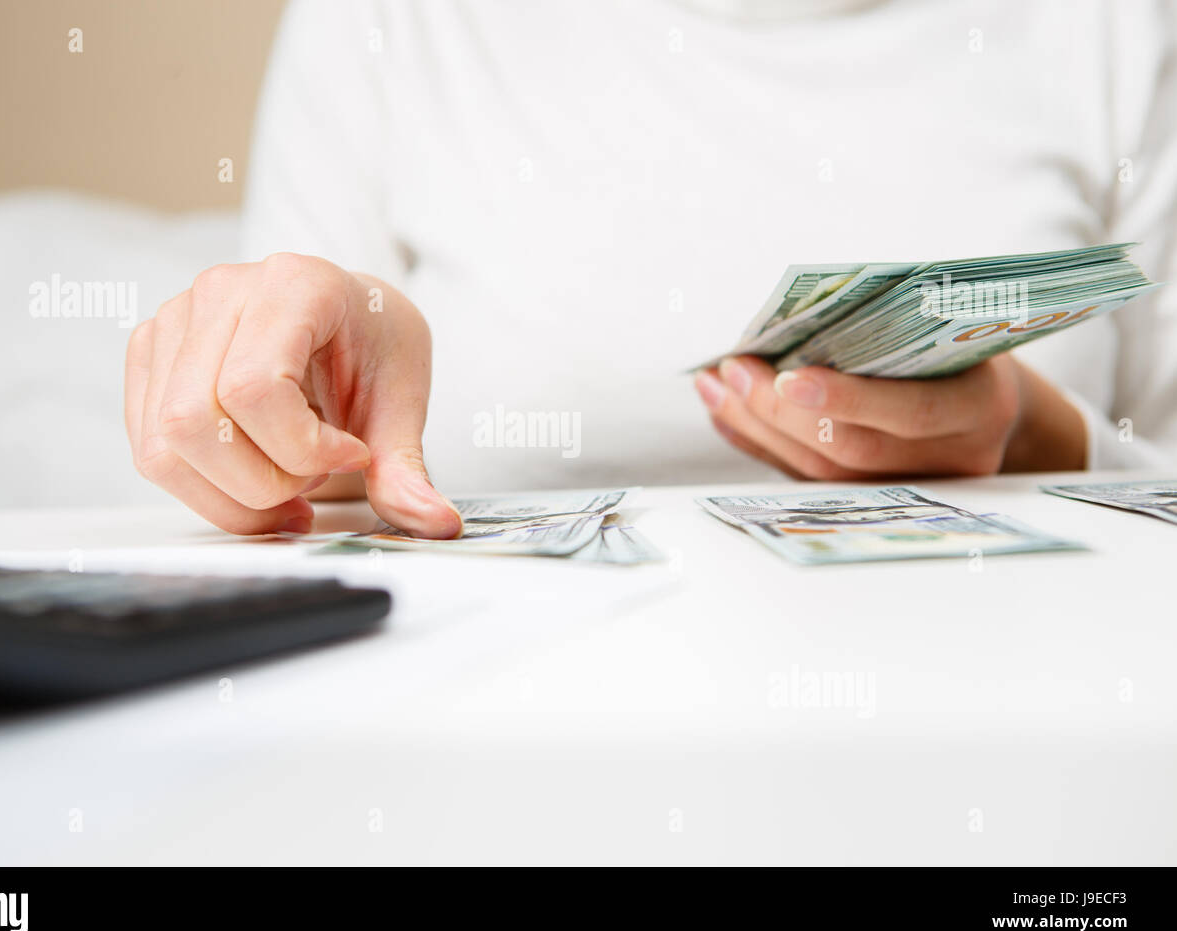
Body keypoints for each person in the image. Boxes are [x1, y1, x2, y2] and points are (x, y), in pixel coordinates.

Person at [124, 0, 1177, 537]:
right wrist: (289, 426)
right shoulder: (395, 20)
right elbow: (288, 483)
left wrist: (1034, 436)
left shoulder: (1117, 28)